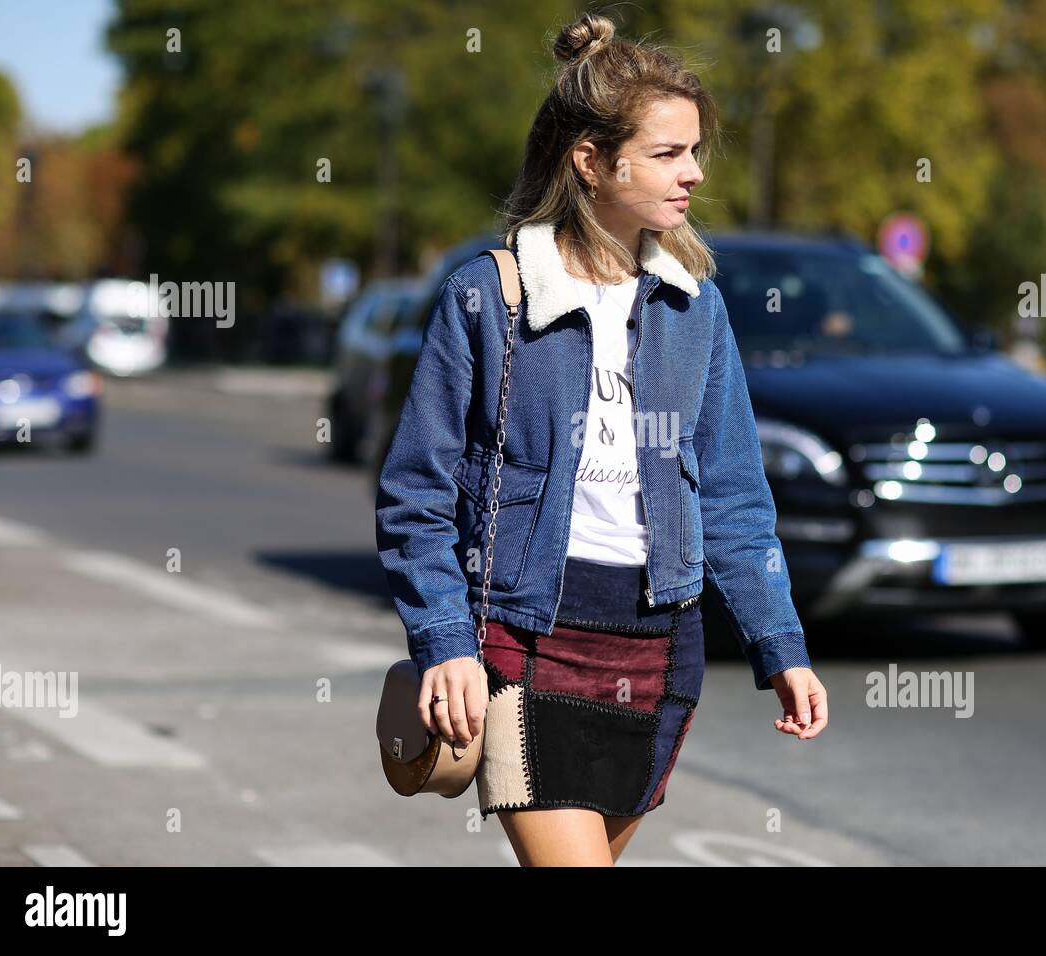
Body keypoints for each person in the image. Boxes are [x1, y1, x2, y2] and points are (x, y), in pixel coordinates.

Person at [375, 11, 828, 867]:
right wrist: (443, 642)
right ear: (590, 160)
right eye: (668, 154)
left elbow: (733, 496)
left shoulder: (693, 305)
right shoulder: (493, 296)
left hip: (659, 644)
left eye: (696, 152)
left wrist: (781, 647)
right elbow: (416, 494)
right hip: (525, 631)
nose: (693, 173)